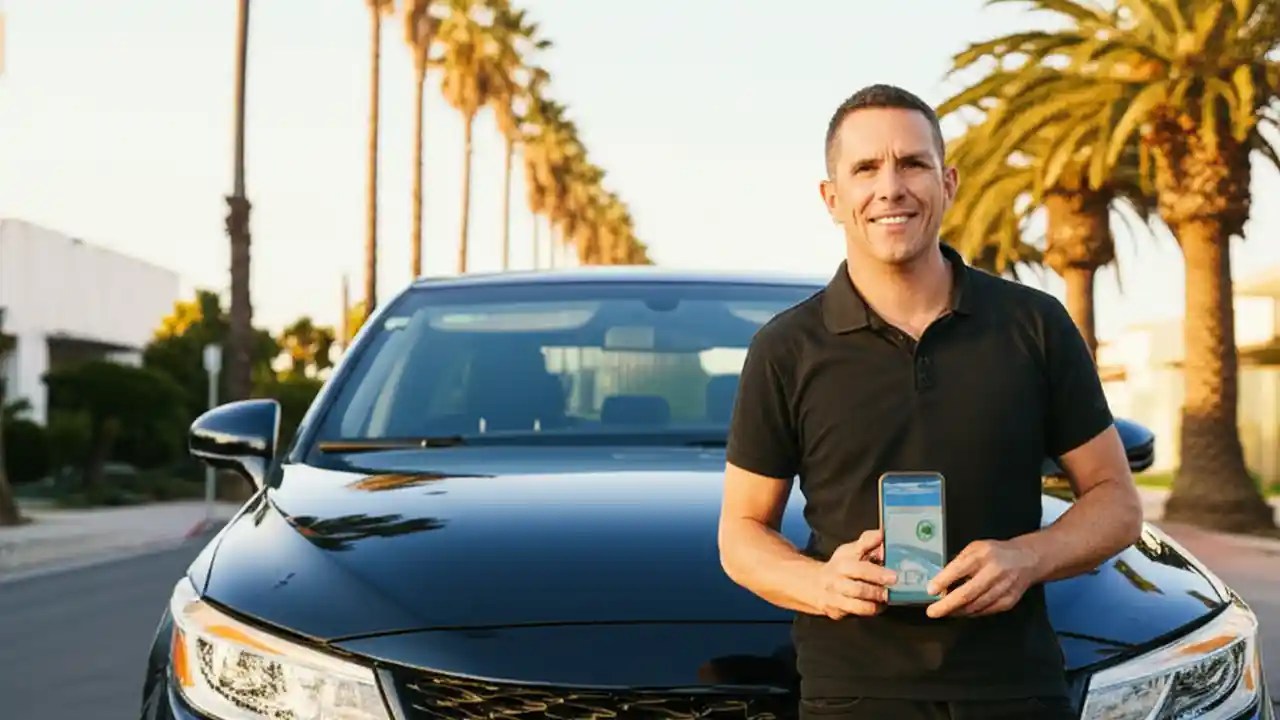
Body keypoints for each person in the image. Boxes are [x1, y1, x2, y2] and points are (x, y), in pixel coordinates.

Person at [716, 83, 1144, 720]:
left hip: (1015, 690)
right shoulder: (786, 348)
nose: (891, 187)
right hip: (853, 695)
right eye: (865, 169)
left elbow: (1116, 500)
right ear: (832, 198)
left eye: (912, 163)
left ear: (948, 183)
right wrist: (820, 582)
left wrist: (1026, 558)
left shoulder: (1034, 325)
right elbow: (741, 532)